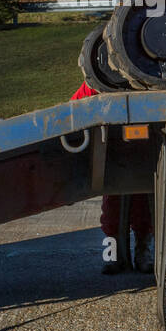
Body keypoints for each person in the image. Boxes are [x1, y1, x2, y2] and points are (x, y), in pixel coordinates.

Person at [70, 81, 154, 274]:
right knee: (113, 205)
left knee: (143, 204)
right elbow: (76, 102)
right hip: (112, 151)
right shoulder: (100, 78)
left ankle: (143, 250)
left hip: (142, 150)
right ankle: (113, 255)